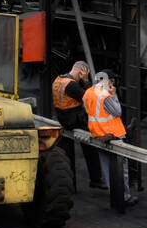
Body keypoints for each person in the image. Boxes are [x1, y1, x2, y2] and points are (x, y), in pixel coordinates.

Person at [84, 71, 137, 209]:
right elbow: (117, 111)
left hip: (98, 133)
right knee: (122, 169)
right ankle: (124, 196)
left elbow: (87, 109)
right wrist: (114, 95)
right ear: (110, 81)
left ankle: (112, 193)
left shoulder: (89, 92)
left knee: (106, 166)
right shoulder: (105, 95)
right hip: (113, 134)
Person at [53, 61, 98, 188]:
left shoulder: (59, 79)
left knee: (68, 154)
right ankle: (96, 178)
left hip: (63, 120)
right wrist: (86, 81)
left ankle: (71, 185)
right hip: (75, 121)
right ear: (81, 72)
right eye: (83, 74)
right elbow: (90, 99)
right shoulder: (72, 85)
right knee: (90, 146)